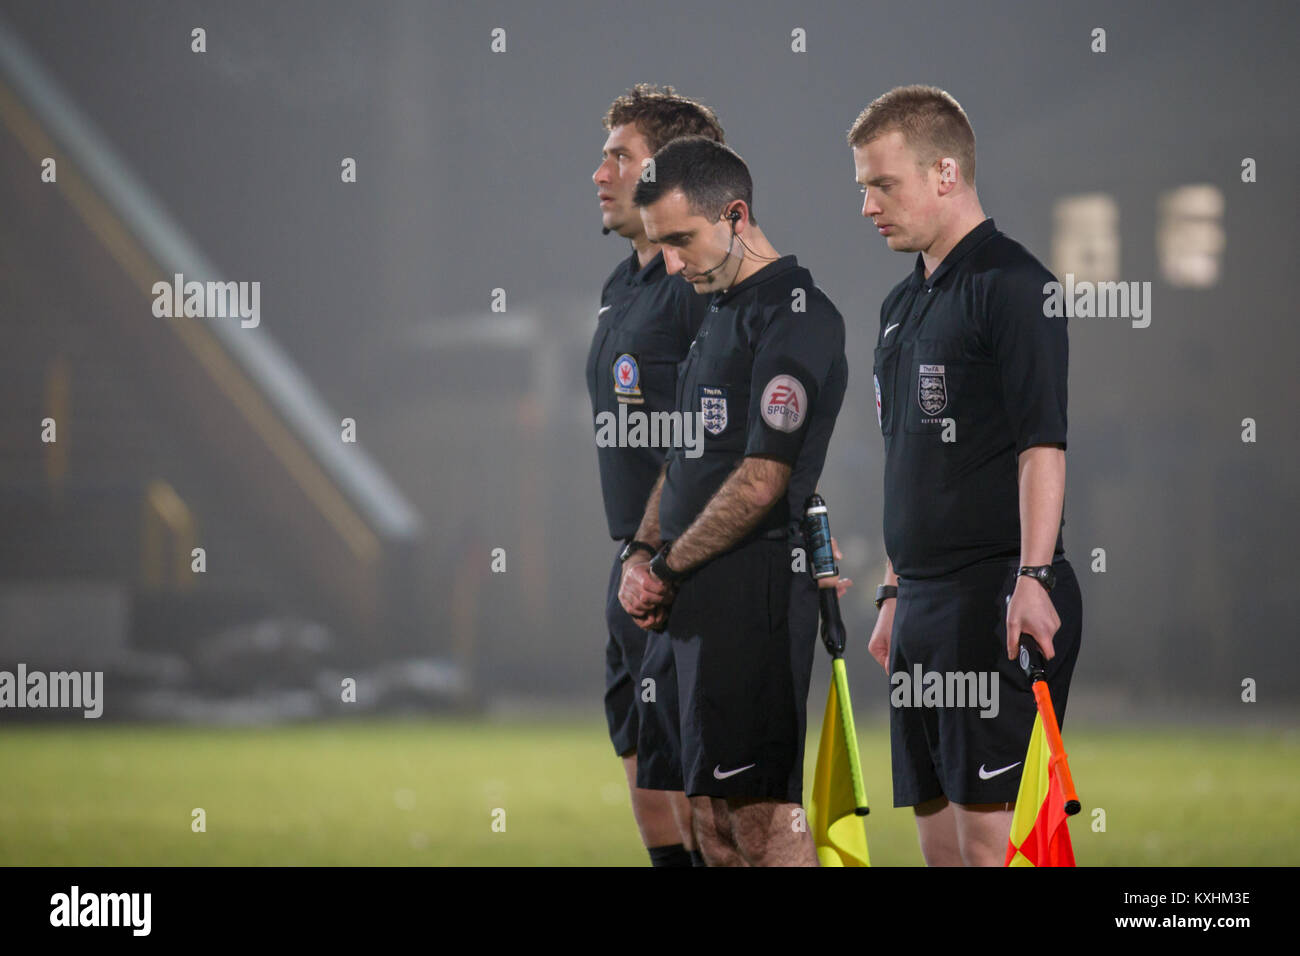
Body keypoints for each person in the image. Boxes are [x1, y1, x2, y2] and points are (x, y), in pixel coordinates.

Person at [849, 85, 1083, 866]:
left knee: (994, 852)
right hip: (919, 602)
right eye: (863, 189)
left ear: (945, 173)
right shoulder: (898, 307)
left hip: (992, 596)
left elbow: (1040, 445)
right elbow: (910, 463)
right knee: (941, 851)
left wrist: (1035, 575)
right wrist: (893, 589)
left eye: (885, 184)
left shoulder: (1015, 286)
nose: (870, 205)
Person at [618, 136, 849, 866]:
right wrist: (642, 550)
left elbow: (761, 480)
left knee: (763, 822)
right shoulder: (718, 309)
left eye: (683, 240)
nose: (674, 264)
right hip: (686, 599)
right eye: (662, 245)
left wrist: (668, 569)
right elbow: (685, 461)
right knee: (708, 823)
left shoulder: (797, 312)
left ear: (737, 214)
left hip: (752, 597)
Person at [588, 85, 724, 867]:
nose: (600, 172)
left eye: (619, 156)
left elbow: (715, 435)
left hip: (682, 568)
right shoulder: (623, 287)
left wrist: (658, 553)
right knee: (648, 787)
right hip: (630, 565)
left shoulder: (695, 287)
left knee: (712, 799)